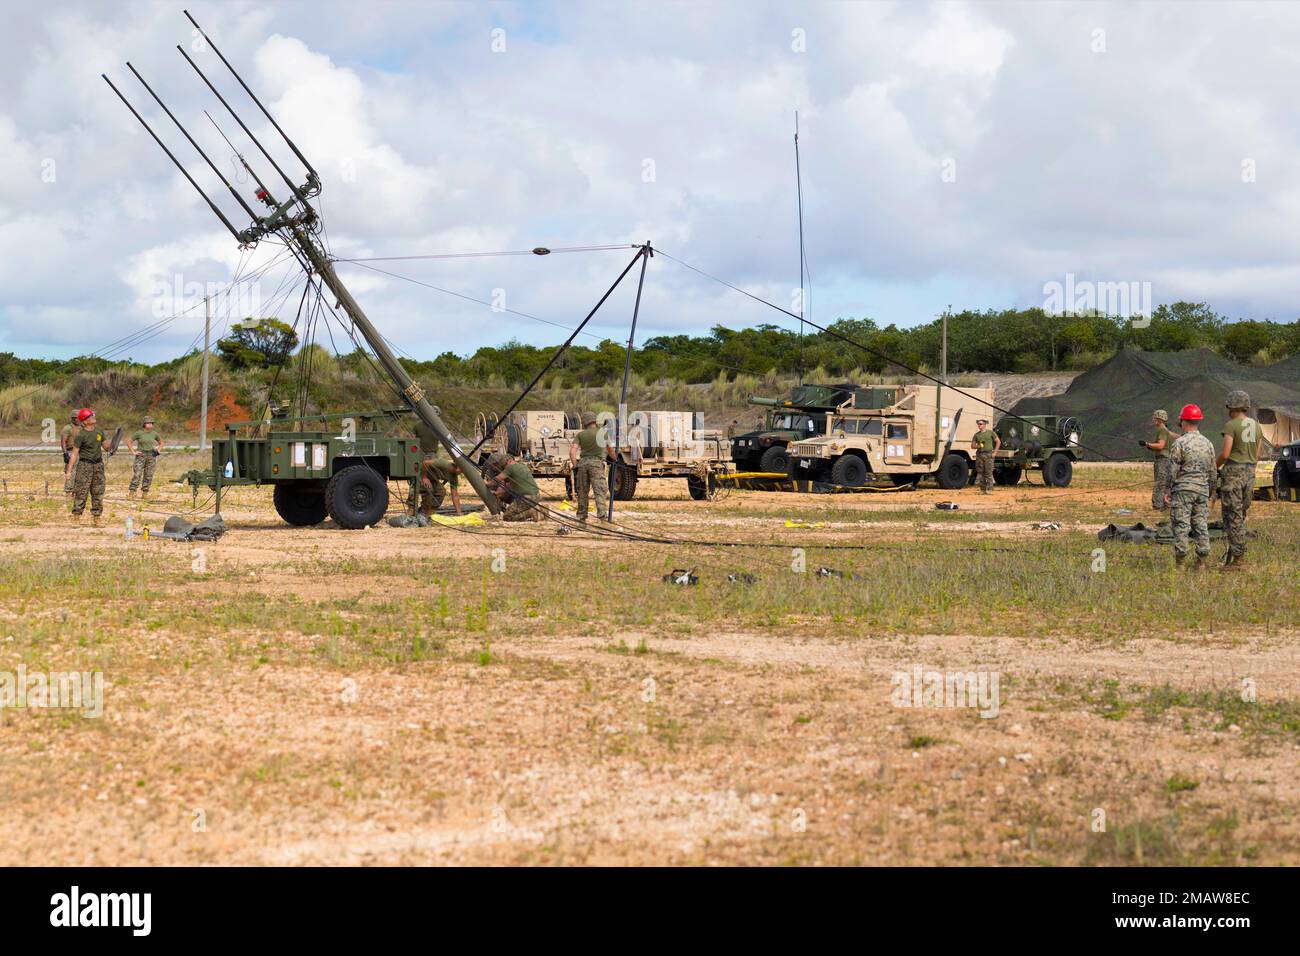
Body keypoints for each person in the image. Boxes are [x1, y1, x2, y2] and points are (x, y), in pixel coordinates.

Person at [1162, 404, 1216, 570]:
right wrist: (1212, 491)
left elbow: (1172, 470)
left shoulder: (1180, 443)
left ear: (1183, 422)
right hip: (1202, 490)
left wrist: (1167, 490)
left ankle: (1180, 564)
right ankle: (1202, 562)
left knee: (1181, 525)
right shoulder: (1208, 444)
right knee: (1201, 524)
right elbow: (1213, 471)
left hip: (1183, 490)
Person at [1215, 390, 1258, 570]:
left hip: (1233, 473)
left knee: (1232, 517)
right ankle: (1234, 557)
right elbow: (1258, 453)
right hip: (1250, 473)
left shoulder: (1231, 425)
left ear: (1231, 406)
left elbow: (1226, 453)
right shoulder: (1256, 425)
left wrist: (1214, 467)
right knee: (1241, 515)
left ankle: (1238, 560)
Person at [65, 408, 112, 526]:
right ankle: (76, 517)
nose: (93, 417)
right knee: (81, 491)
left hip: (98, 465)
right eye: (90, 416)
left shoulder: (99, 431)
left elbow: (106, 446)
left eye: (93, 415)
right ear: (84, 421)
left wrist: (112, 444)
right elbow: (75, 453)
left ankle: (97, 518)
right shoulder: (81, 435)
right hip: (84, 465)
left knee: (98, 491)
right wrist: (69, 471)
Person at [569, 415, 613, 521]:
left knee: (582, 491)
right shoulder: (603, 433)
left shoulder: (580, 434)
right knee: (599, 490)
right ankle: (602, 516)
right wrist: (615, 459)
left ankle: (582, 516)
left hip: (582, 464)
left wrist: (575, 466)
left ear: (585, 423)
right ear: (595, 422)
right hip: (597, 464)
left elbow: (572, 452)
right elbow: (610, 450)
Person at [1138, 409, 1173, 511]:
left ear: (1159, 419)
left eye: (1156, 418)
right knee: (1164, 483)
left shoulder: (1162, 430)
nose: (1154, 421)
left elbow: (1160, 445)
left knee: (1160, 483)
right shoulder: (1165, 430)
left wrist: (1147, 444)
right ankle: (1165, 505)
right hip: (1165, 460)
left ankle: (1158, 505)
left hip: (1162, 460)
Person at [490, 453, 542, 522]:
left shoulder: (511, 468)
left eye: (504, 466)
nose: (505, 468)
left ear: (508, 461)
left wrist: (487, 484)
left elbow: (497, 479)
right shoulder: (522, 466)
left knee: (507, 517)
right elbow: (507, 486)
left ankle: (531, 512)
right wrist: (497, 493)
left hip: (526, 498)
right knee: (513, 504)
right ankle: (541, 511)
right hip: (536, 496)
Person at [127, 415, 164, 498]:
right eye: (148, 423)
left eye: (151, 423)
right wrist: (133, 451)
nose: (150, 425)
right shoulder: (139, 433)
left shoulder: (154, 434)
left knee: (149, 474)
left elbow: (161, 442)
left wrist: (158, 450)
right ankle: (132, 492)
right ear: (144, 424)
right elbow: (129, 441)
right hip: (141, 455)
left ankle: (145, 493)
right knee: (137, 474)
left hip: (151, 455)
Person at [970, 418, 1000, 493]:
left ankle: (989, 489)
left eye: (980, 424)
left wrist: (995, 452)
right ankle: (983, 489)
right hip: (980, 454)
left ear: (984, 425)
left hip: (988, 454)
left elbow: (998, 442)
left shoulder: (990, 433)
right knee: (981, 472)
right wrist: (978, 446)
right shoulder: (976, 435)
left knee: (988, 472)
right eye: (978, 424)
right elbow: (972, 446)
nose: (979, 425)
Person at [59, 412, 78, 494]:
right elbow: (63, 442)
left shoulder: (82, 427)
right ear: (73, 419)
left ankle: (76, 491)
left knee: (79, 472)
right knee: (70, 472)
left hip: (80, 452)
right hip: (70, 451)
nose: (78, 420)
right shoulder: (67, 428)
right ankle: (69, 491)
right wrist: (65, 454)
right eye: (76, 418)